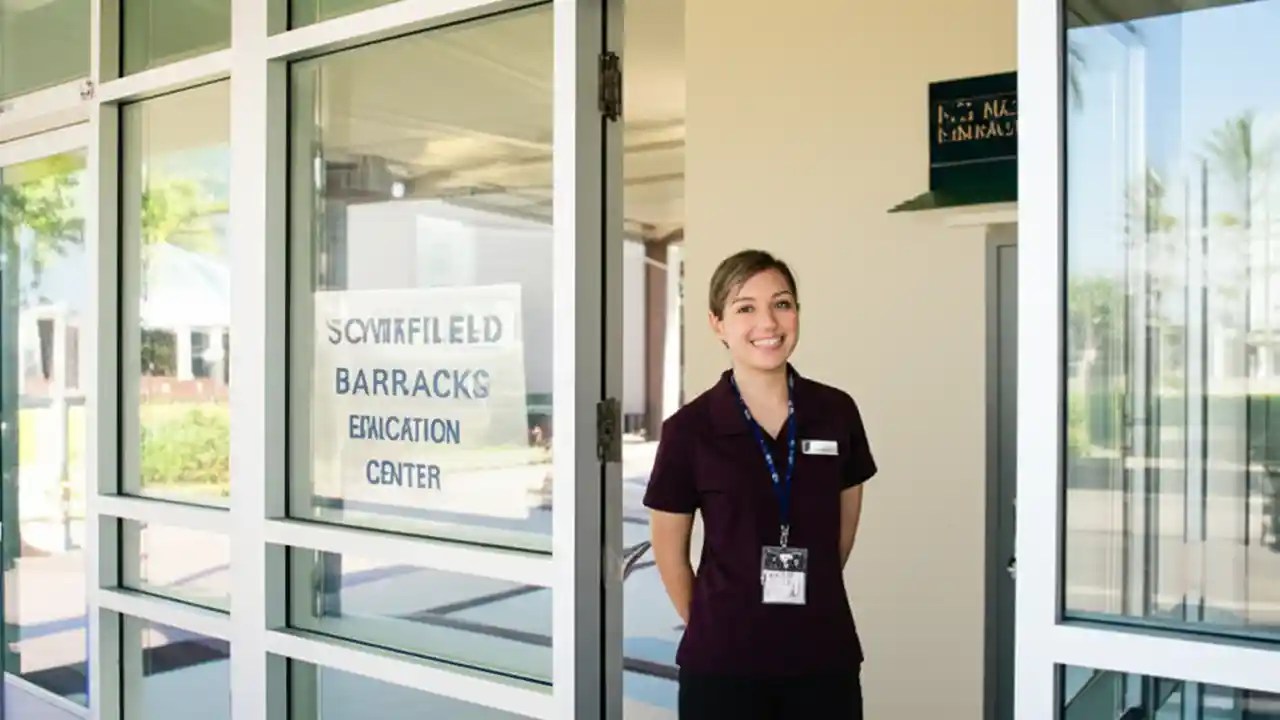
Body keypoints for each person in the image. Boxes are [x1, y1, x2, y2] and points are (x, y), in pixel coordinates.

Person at [643, 249, 877, 719]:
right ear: (717, 324)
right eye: (745, 307)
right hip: (724, 667)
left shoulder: (836, 412)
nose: (767, 322)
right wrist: (715, 623)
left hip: (822, 656)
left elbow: (842, 534)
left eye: (782, 304)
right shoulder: (690, 429)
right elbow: (669, 551)